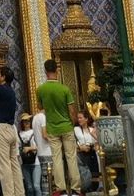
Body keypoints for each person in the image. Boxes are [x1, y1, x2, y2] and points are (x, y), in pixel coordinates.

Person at [32, 61, 81, 196]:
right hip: (66, 126)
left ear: (45, 71)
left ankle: (60, 187)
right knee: (71, 157)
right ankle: (76, 188)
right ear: (57, 70)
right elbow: (72, 111)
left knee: (57, 158)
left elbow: (40, 107)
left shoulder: (41, 89)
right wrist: (72, 123)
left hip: (52, 128)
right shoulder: (64, 89)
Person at [72, 119, 97, 196]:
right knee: (84, 174)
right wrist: (80, 148)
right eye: (78, 118)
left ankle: (92, 188)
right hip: (80, 155)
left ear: (86, 119)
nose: (79, 119)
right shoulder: (76, 129)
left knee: (93, 174)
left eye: (81, 117)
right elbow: (72, 145)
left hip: (91, 154)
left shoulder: (92, 129)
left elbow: (96, 143)